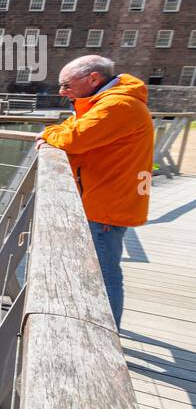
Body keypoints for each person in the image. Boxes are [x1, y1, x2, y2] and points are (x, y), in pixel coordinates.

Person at [36, 55, 153, 328]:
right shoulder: (103, 102)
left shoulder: (118, 104)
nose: (62, 91)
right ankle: (92, 321)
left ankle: (107, 333)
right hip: (104, 196)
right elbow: (73, 126)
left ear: (93, 79)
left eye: (66, 85)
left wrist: (46, 135)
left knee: (104, 274)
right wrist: (56, 131)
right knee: (97, 270)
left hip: (107, 203)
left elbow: (75, 138)